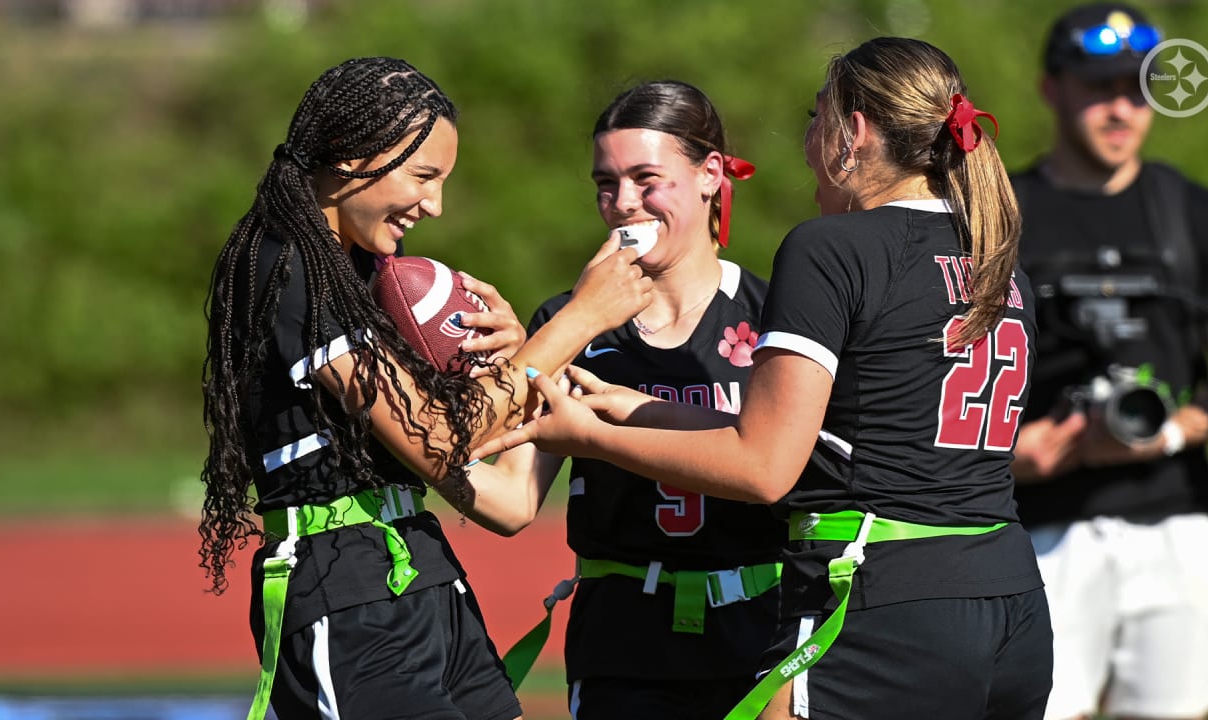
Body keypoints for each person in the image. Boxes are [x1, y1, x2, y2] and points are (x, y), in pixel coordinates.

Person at [475, 37, 1052, 720]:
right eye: (607, 182)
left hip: (884, 603)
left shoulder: (829, 249)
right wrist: (632, 407)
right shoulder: (996, 261)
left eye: (815, 119)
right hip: (1009, 597)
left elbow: (765, 465)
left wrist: (592, 436)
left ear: (853, 132)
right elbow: (827, 437)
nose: (807, 142)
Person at [198, 56, 651, 720]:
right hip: (343, 593)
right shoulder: (287, 267)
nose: (434, 205)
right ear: (351, 157)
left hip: (425, 571)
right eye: (424, 177)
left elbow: (486, 476)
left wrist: (504, 360)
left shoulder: (360, 274)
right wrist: (580, 317)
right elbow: (444, 439)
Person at [468, 79, 786, 720]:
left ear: (710, 175)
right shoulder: (568, 322)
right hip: (624, 646)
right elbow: (511, 502)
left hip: (764, 637)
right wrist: (415, 436)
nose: (623, 203)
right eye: (605, 184)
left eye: (647, 179)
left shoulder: (778, 314)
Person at [1007, 3, 1208, 719]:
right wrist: (1009, 456)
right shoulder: (1002, 216)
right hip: (1035, 527)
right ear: (1052, 88)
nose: (1122, 108)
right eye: (1099, 86)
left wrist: (1173, 430)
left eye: (1139, 89)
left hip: (1174, 524)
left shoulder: (1202, 216)